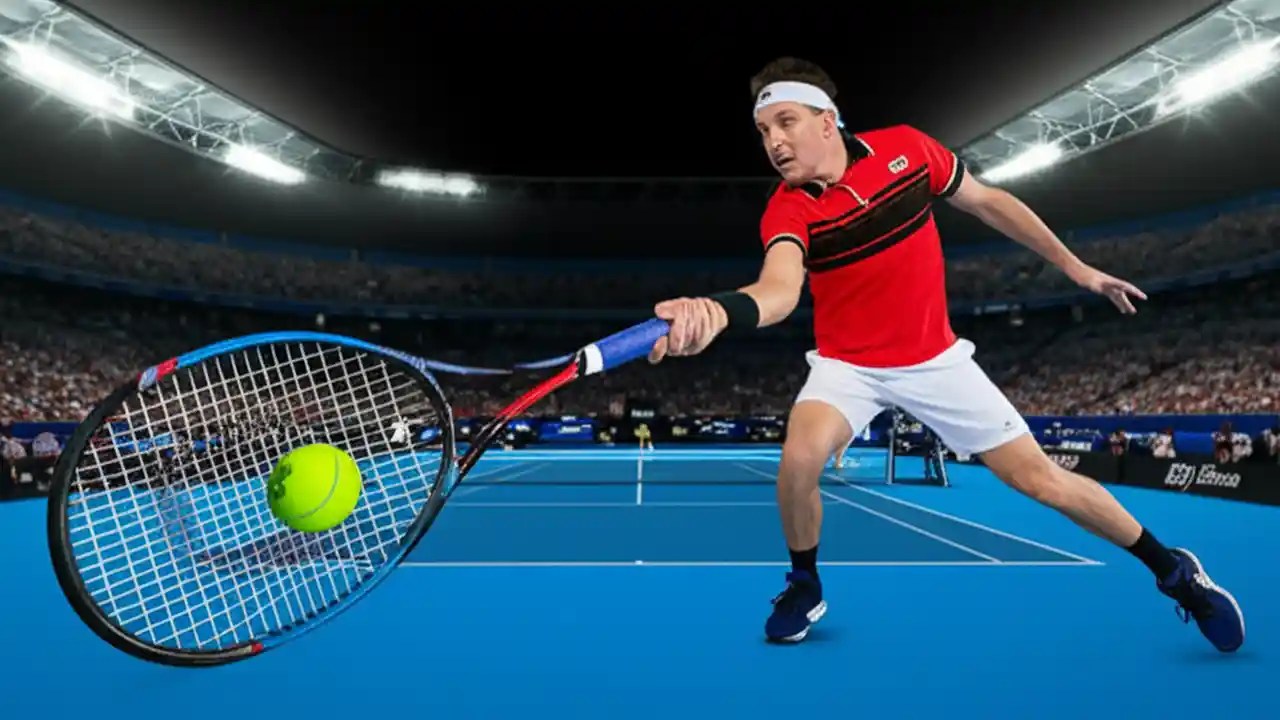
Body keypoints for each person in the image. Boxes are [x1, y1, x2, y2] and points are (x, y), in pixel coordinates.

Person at [645, 57, 1244, 651]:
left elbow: (988, 202)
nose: (774, 141)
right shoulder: (789, 208)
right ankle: (804, 584)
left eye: (786, 121)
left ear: (828, 120)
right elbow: (778, 290)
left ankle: (1174, 571)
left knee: (1042, 482)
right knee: (798, 461)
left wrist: (1076, 267)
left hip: (935, 360)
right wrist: (718, 310)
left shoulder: (907, 151)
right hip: (848, 366)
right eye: (764, 131)